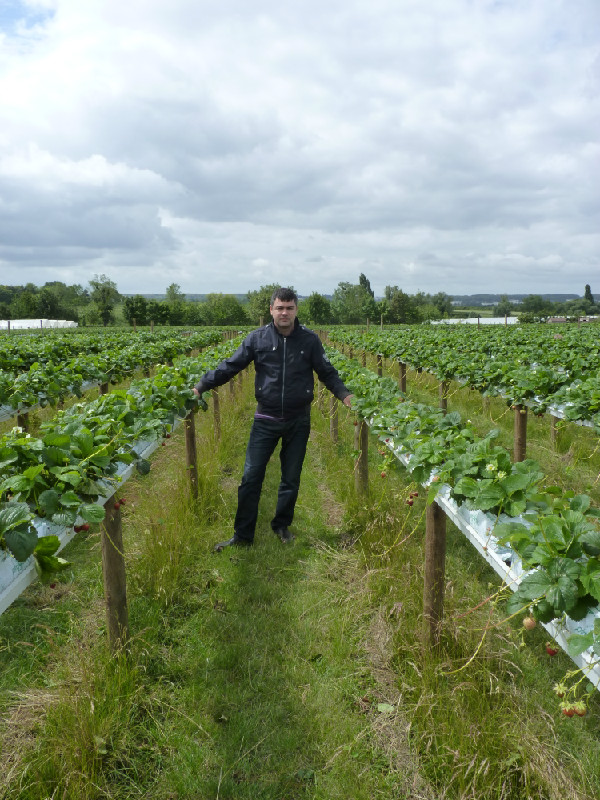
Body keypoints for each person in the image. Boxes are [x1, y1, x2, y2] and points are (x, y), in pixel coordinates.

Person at [193, 287, 353, 551]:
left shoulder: (309, 341)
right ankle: (243, 535)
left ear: (296, 310)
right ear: (271, 310)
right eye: (279, 308)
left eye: (289, 308)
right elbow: (231, 366)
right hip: (265, 418)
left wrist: (344, 395)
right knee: (251, 477)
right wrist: (201, 386)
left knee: (291, 478)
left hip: (298, 420)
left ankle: (281, 525)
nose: (284, 313)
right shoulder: (257, 339)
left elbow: (327, 372)